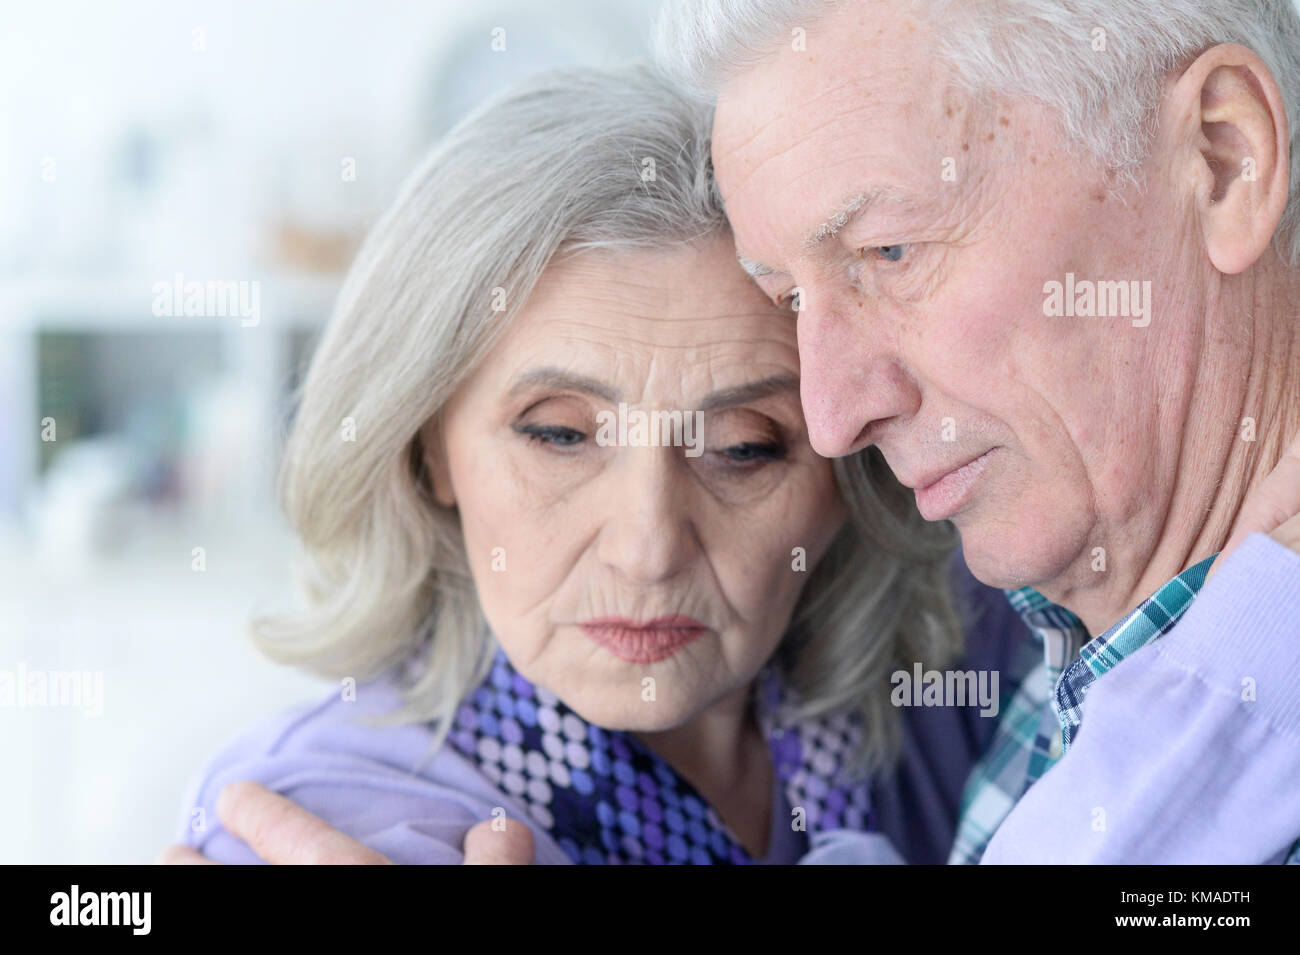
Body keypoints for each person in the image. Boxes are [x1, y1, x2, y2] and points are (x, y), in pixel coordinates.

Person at [164, 62, 1031, 866]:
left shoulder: (953, 675)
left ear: (849, 469)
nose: (648, 547)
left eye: (742, 447)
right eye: (560, 436)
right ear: (430, 451)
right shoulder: (331, 821)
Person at [655, 0, 1300, 862]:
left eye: (891, 253)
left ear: (1223, 160)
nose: (834, 417)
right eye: (792, 299)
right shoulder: (1054, 642)